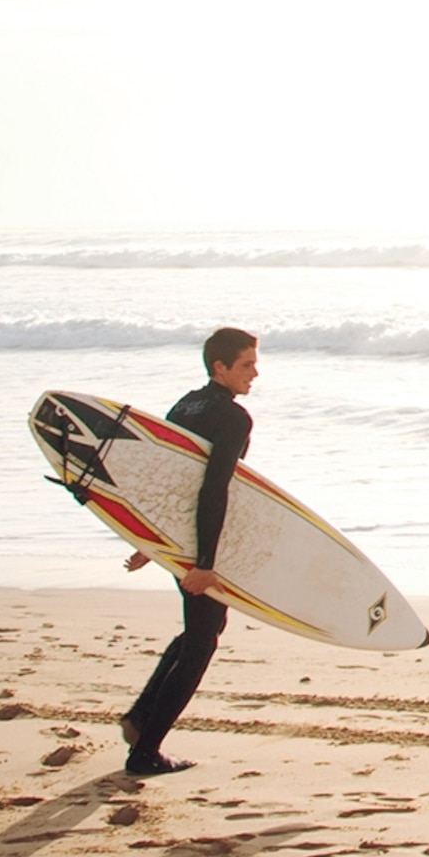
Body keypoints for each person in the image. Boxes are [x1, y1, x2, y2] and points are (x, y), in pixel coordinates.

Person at [117, 326, 258, 776]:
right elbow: (212, 490)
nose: (255, 374)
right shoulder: (235, 419)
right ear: (221, 367)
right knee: (202, 639)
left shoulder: (186, 404)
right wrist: (204, 565)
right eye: (247, 365)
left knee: (199, 629)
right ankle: (146, 750)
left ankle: (142, 719)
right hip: (197, 542)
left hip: (175, 537)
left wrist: (150, 541)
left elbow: (160, 475)